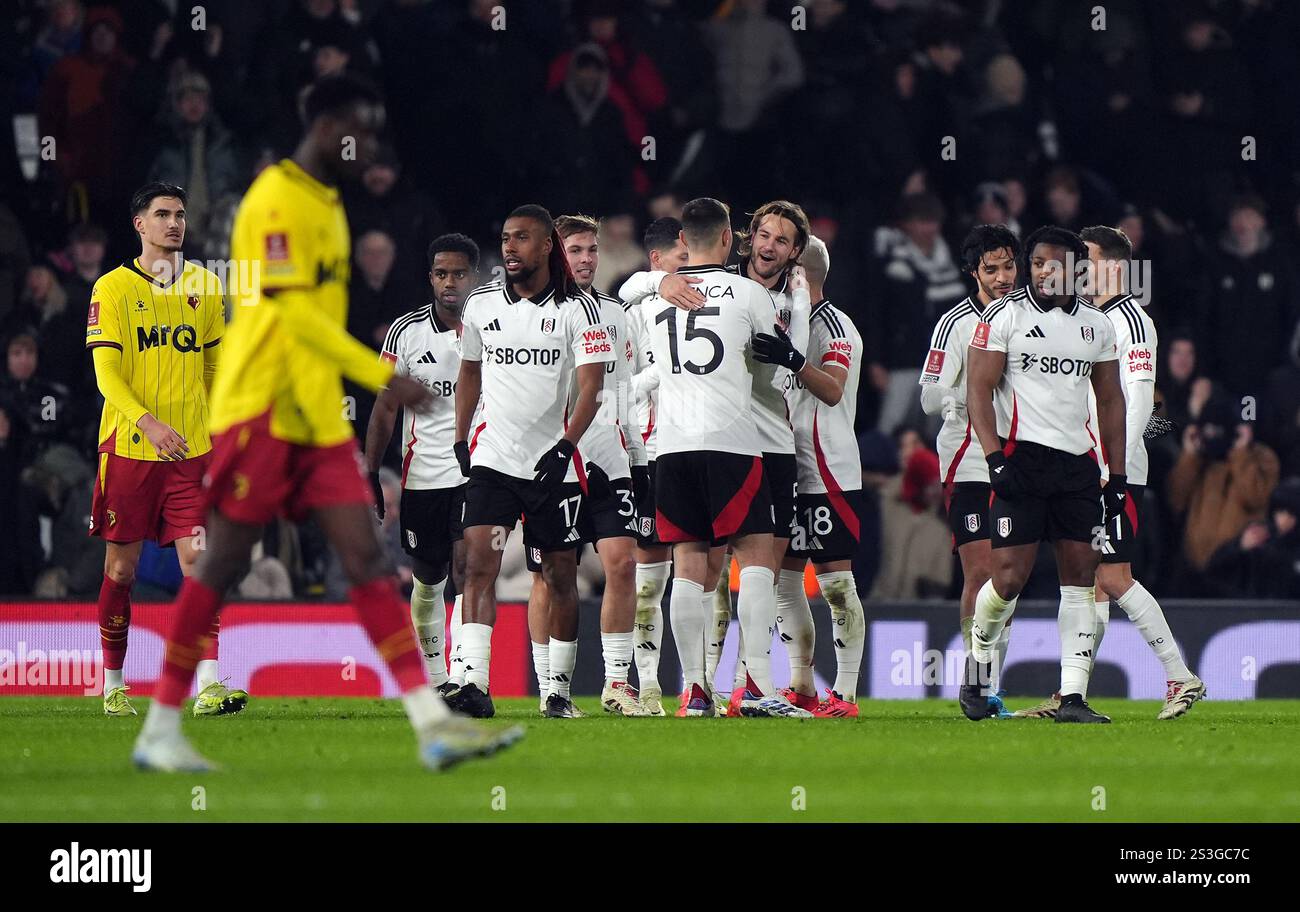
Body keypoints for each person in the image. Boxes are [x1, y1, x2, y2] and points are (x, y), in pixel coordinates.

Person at [131, 75, 522, 773]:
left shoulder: (331, 205)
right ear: (328, 122)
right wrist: (380, 372)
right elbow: (289, 316)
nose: (369, 145)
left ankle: (431, 723)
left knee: (368, 560)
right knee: (221, 564)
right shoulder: (275, 198)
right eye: (362, 129)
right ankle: (160, 728)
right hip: (260, 411)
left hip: (314, 420)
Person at [641, 197, 809, 718]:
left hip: (671, 447)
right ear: (729, 239)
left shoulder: (655, 301)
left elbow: (633, 292)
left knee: (689, 567)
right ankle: (757, 686)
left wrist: (657, 281)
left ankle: (693, 692)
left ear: (682, 243)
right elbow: (779, 366)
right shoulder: (748, 293)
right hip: (732, 442)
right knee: (757, 556)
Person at [84, 182, 243, 719]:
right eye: (162, 214)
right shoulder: (111, 289)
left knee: (199, 562)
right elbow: (106, 374)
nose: (174, 224)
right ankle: (113, 683)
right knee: (122, 571)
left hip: (189, 455)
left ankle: (209, 686)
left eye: (179, 215)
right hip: (129, 450)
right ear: (139, 224)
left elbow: (213, 369)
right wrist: (148, 424)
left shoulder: (205, 285)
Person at [449, 203, 613, 720]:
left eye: (522, 238)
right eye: (505, 238)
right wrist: (461, 437)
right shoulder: (480, 305)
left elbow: (592, 388)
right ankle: (473, 682)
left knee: (560, 575)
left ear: (548, 247)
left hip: (554, 467)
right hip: (493, 459)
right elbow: (470, 373)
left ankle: (557, 692)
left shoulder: (579, 310)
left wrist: (566, 446)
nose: (510, 248)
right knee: (478, 565)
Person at [961, 225, 1127, 724]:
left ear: (1077, 270)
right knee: (1008, 579)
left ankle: (1072, 696)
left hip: (1077, 466)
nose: (1042, 272)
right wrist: (993, 459)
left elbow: (1111, 399)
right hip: (1021, 461)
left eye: (1054, 264)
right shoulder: (1001, 316)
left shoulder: (1097, 326)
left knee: (1079, 578)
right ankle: (977, 671)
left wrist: (1116, 475)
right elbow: (978, 391)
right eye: (1036, 263)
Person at [521, 214, 649, 718]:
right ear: (556, 253)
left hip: (610, 459)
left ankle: (618, 684)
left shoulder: (617, 315)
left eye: (592, 250)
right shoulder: (532, 315)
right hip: (554, 467)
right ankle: (552, 685)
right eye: (575, 250)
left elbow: (623, 397)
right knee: (553, 575)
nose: (587, 259)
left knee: (622, 564)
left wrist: (639, 464)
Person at [1080, 225, 1204, 720]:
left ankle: (1180, 675)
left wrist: (1113, 467)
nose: (1075, 268)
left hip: (1116, 471)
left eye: (1083, 258)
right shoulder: (1094, 317)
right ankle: (1073, 693)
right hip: (1095, 466)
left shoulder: (1131, 320)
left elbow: (1141, 404)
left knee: (1113, 577)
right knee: (1091, 581)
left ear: (1110, 264)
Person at [364, 233, 481, 695]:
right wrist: (371, 473)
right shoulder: (404, 332)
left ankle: (462, 674)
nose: (449, 282)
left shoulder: (492, 324)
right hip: (423, 475)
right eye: (441, 274)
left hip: (478, 470)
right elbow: (385, 409)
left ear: (474, 275)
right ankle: (433, 679)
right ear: (430, 278)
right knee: (429, 577)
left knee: (468, 568)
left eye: (458, 273)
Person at [918, 224, 1018, 717]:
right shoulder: (955, 322)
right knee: (980, 572)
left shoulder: (1029, 318)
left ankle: (989, 678)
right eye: (990, 269)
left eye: (1008, 266)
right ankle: (976, 683)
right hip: (970, 458)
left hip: (1023, 460)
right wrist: (972, 392)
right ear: (972, 273)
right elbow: (928, 396)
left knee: (1009, 576)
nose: (1002, 277)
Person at [767, 236, 868, 717]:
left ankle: (845, 694)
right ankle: (802, 684)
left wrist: (791, 359)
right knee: (784, 583)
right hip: (787, 466)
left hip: (828, 468)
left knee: (835, 585)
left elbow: (831, 390)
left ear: (800, 273)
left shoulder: (835, 326)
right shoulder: (785, 322)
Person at [624, 216, 687, 715]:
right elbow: (618, 383)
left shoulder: (711, 302)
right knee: (649, 583)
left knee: (707, 576)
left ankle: (701, 685)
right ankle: (647, 686)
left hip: (702, 448)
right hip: (650, 455)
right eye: (682, 262)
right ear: (658, 262)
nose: (692, 271)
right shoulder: (635, 309)